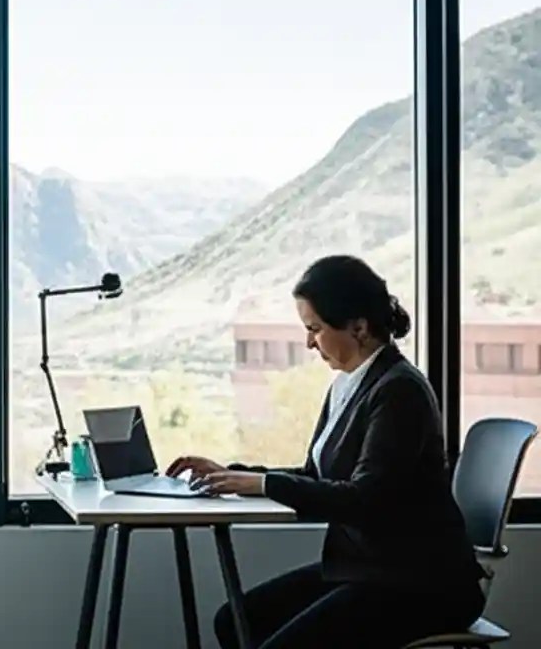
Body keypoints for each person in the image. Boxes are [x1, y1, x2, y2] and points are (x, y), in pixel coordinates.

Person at [167, 255, 486, 649]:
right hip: (366, 569)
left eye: (315, 329)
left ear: (359, 327)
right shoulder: (349, 384)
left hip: (419, 583)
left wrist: (263, 485)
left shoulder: (399, 391)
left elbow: (364, 499)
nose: (308, 342)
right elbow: (316, 475)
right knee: (234, 622)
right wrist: (233, 475)